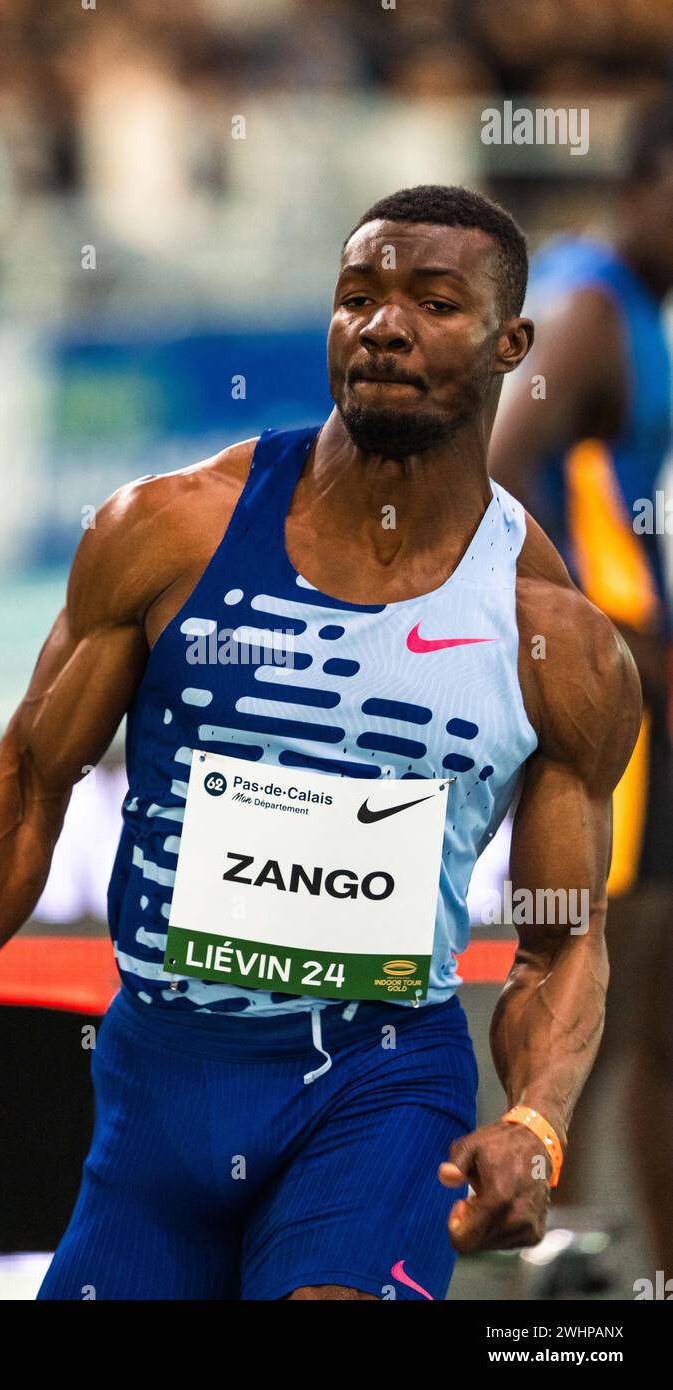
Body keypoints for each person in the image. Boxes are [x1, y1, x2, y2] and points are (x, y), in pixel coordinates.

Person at [0, 185, 641, 1301]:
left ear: (511, 343)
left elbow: (559, 937)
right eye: (357, 297)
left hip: (380, 1079)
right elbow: (26, 779)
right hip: (161, 1082)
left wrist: (536, 1119)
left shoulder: (555, 642)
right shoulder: (167, 533)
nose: (382, 325)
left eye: (431, 302)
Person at [489, 99, 673, 1273]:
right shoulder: (594, 309)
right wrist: (599, 640)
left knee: (636, 1007)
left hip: (630, 696)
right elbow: (498, 467)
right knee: (597, 989)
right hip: (614, 717)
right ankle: (519, 1240)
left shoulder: (628, 306)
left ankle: (575, 1244)